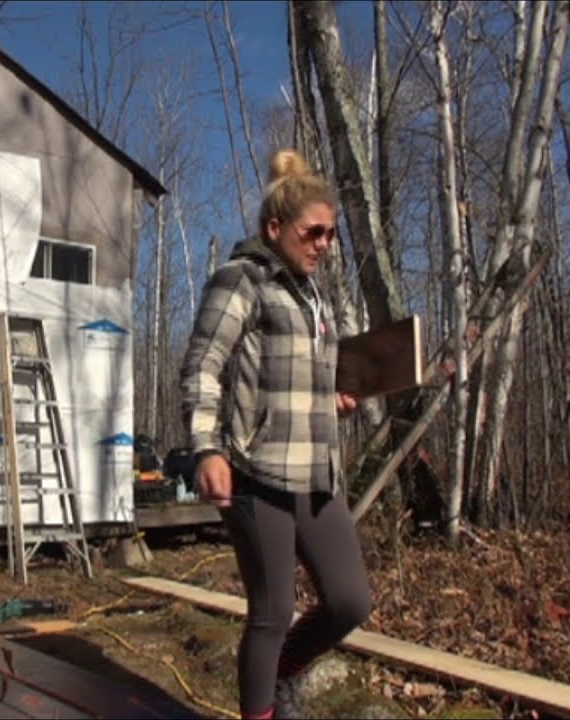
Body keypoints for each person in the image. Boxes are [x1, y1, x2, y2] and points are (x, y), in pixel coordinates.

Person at [180, 149, 371, 720]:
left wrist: (329, 399)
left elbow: (290, 379)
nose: (323, 245)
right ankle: (262, 708)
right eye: (313, 232)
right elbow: (202, 366)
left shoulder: (314, 298)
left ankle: (282, 674)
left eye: (330, 235)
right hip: (255, 471)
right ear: (274, 228)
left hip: (315, 472)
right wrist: (207, 449)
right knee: (272, 611)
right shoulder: (241, 280)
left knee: (349, 600)